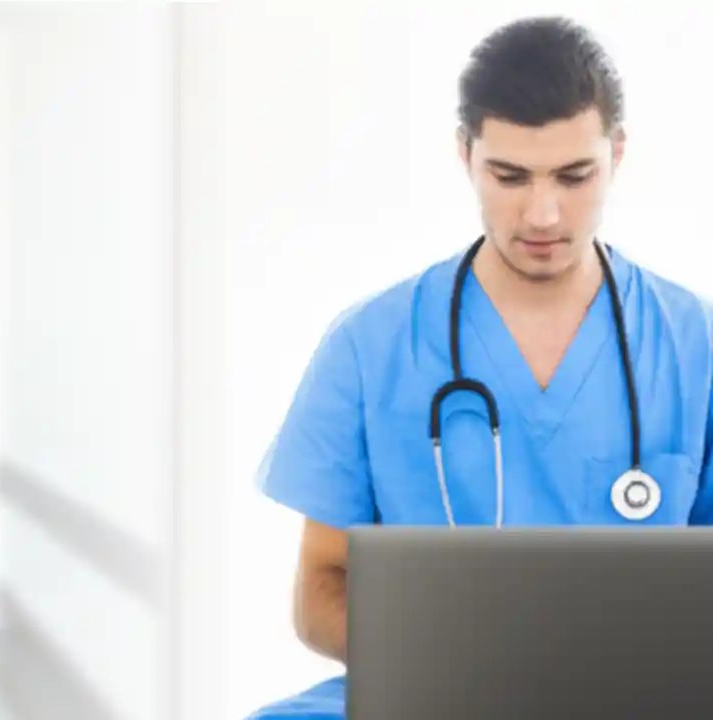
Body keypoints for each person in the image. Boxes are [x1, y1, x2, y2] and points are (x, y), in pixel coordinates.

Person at [248, 15, 713, 720]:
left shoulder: (692, 344)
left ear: (617, 154)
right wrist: (471, 669)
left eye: (574, 174)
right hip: (431, 697)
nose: (544, 213)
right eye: (510, 175)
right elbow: (320, 593)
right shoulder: (372, 347)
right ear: (465, 155)